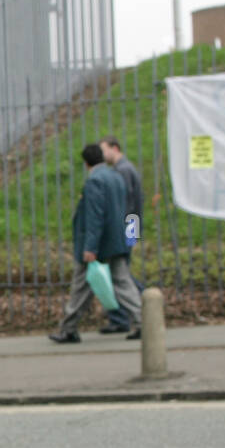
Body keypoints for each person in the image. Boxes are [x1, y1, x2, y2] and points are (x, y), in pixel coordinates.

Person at [49, 143, 143, 343]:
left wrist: (90, 247)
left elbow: (95, 216)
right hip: (117, 240)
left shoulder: (95, 181)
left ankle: (69, 328)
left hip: (98, 244)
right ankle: (144, 321)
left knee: (80, 287)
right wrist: (130, 237)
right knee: (123, 283)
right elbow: (130, 207)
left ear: (86, 163)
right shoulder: (116, 176)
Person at [99, 135, 145, 335]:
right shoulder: (125, 169)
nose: (102, 155)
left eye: (104, 150)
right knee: (120, 272)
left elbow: (125, 204)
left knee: (120, 273)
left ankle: (142, 307)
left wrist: (125, 235)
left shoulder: (122, 171)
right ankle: (123, 316)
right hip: (130, 225)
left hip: (125, 226)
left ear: (115, 148)